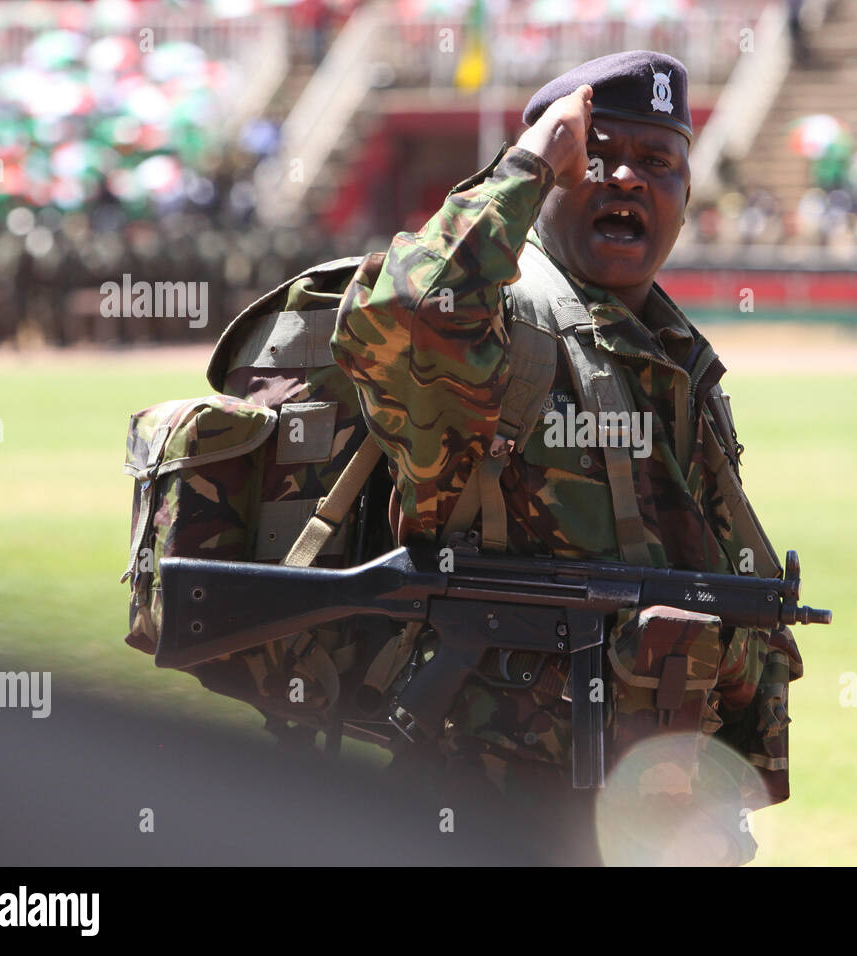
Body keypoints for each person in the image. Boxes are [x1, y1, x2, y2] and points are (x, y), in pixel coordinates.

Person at [331, 51, 802, 865]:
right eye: (596, 157)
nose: (625, 180)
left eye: (657, 163)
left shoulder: (676, 357)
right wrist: (525, 164)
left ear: (685, 194)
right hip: (487, 805)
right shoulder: (499, 337)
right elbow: (402, 312)